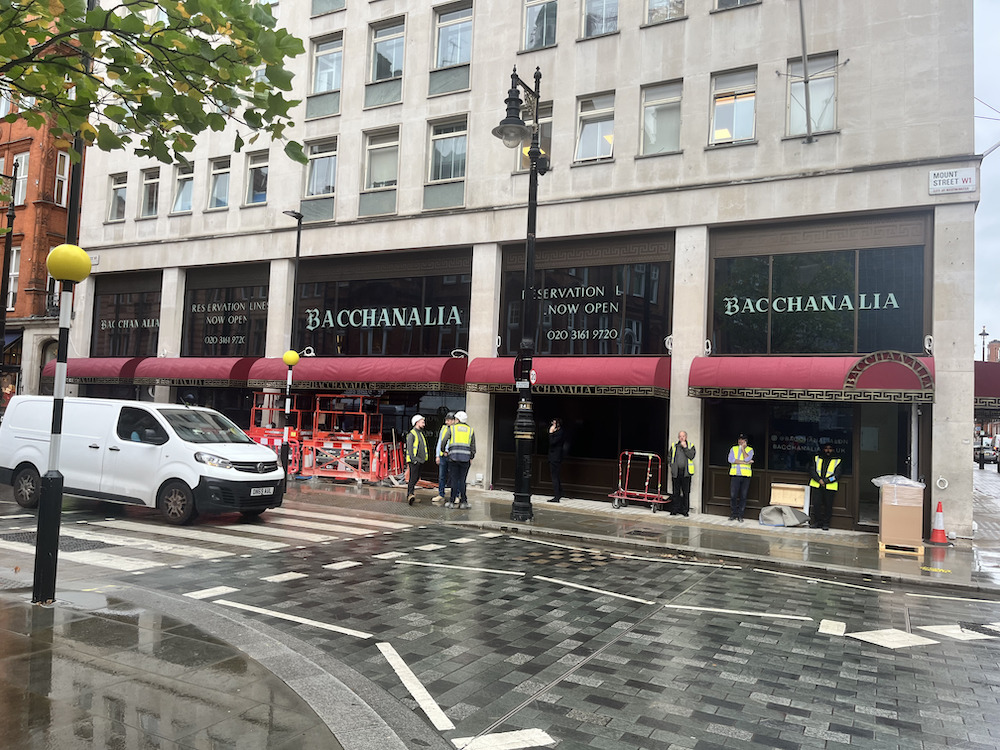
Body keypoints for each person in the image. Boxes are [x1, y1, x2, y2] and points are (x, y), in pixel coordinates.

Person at [443, 410, 475, 509]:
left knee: (454, 480)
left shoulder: (452, 429)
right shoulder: (470, 430)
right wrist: (471, 456)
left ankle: (452, 501)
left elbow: (444, 440)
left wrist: (443, 450)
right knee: (462, 480)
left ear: (458, 419)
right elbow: (473, 446)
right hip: (465, 459)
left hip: (453, 458)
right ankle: (464, 502)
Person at [809, 440, 842, 530]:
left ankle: (826, 523)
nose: (828, 450)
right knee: (816, 504)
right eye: (826, 448)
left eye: (830, 449)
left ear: (833, 450)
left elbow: (837, 475)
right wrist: (819, 480)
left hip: (830, 487)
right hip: (817, 485)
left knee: (828, 505)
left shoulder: (838, 460)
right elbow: (812, 470)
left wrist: (826, 481)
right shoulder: (816, 458)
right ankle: (817, 522)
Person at [668, 430, 696, 516]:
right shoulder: (674, 446)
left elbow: (691, 455)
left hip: (686, 473)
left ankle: (685, 511)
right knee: (676, 492)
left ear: (686, 437)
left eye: (683, 436)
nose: (681, 438)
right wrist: (672, 466)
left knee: (685, 492)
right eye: (680, 436)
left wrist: (685, 448)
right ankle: (675, 509)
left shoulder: (691, 446)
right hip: (676, 472)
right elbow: (669, 457)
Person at [728, 433, 754, 522]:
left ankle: (740, 515)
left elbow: (747, 458)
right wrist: (745, 462)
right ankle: (733, 514)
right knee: (733, 496)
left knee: (743, 496)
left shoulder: (750, 450)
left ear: (746, 441)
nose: (740, 441)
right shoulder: (733, 449)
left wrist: (743, 449)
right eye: (739, 439)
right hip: (735, 475)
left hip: (745, 476)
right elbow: (731, 460)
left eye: (742, 440)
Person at [432, 412, 457, 504]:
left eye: (448, 420)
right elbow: (440, 442)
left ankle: (455, 495)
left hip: (452, 456)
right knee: (441, 476)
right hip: (443, 455)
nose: (446, 422)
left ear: (454, 421)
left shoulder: (456, 430)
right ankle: (441, 494)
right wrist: (437, 455)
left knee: (454, 477)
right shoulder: (444, 428)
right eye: (446, 420)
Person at [405, 414, 427, 506]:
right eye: (422, 422)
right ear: (417, 422)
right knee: (412, 478)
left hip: (420, 460)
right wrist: (414, 459)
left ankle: (412, 495)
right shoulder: (412, 434)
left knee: (416, 478)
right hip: (414, 460)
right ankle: (410, 495)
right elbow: (410, 448)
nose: (424, 424)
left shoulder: (420, 433)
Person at [547, 418, 565, 503]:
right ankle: (560, 492)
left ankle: (557, 496)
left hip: (555, 457)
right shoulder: (559, 432)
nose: (552, 425)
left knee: (554, 476)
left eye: (554, 423)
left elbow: (552, 442)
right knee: (555, 475)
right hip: (554, 456)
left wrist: (551, 433)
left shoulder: (559, 433)